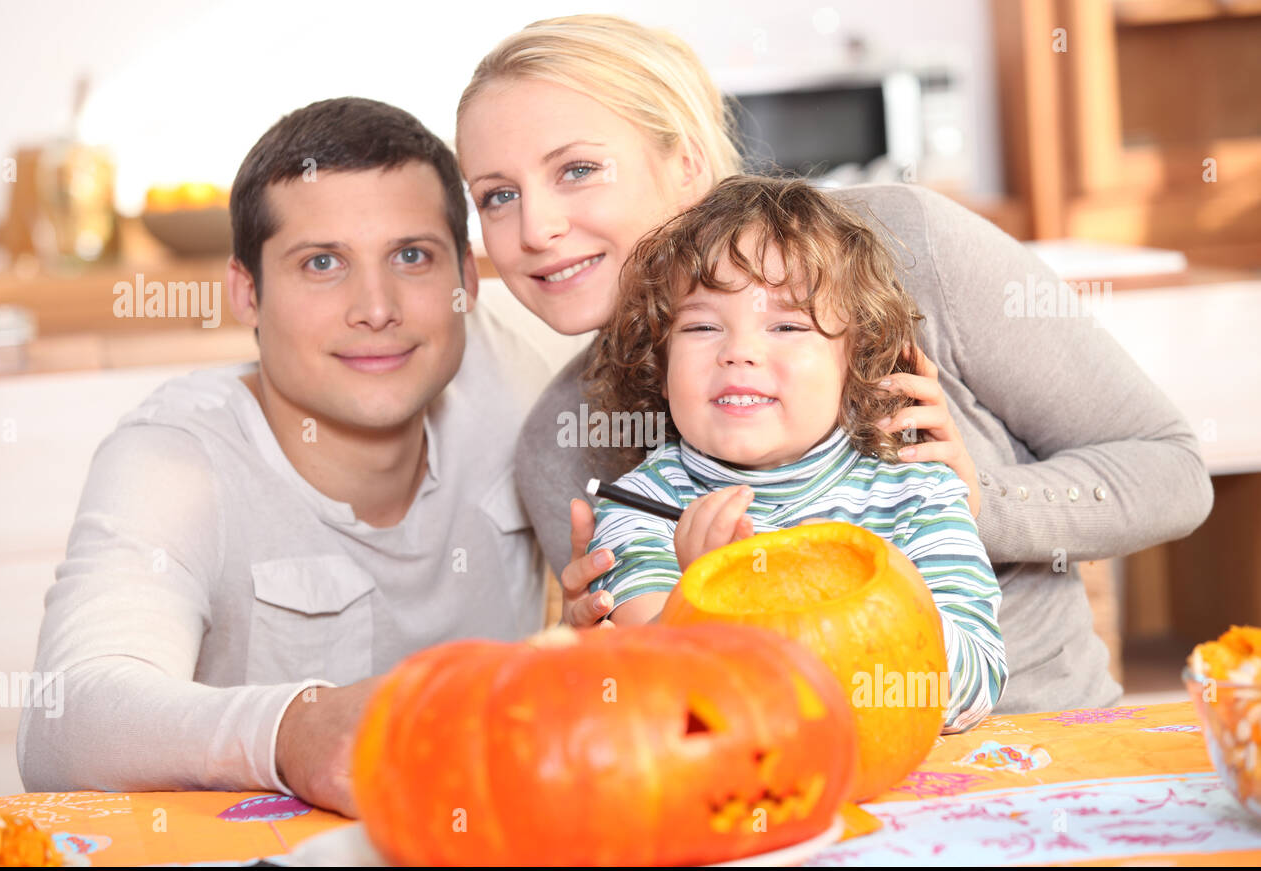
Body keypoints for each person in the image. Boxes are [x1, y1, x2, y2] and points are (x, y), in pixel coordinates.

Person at [454, 14, 1214, 714]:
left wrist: (977, 503)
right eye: (496, 196)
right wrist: (617, 668)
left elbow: (1170, 472)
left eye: (578, 170)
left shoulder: (910, 243)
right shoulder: (563, 445)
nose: (536, 228)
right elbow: (675, 711)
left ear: (686, 162)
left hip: (1042, 746)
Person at [18, 97, 585, 815]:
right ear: (246, 294)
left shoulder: (519, 368)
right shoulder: (176, 459)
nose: (376, 308)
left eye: (412, 257)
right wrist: (296, 729)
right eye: (322, 263)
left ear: (467, 282)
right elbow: (63, 724)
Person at [583, 174, 1005, 731]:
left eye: (786, 324)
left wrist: (882, 600)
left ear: (855, 363)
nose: (739, 352)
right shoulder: (638, 505)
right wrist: (703, 595)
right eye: (704, 325)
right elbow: (645, 697)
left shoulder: (920, 493)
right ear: (660, 368)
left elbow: (975, 685)